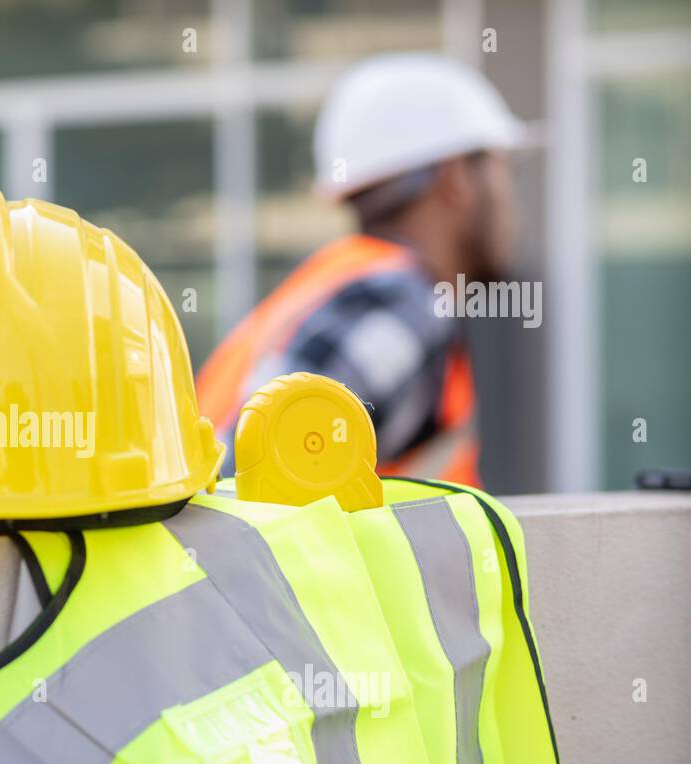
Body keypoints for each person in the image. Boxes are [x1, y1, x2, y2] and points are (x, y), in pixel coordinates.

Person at [197, 53, 528, 485]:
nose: (510, 201)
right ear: (456, 178)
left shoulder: (342, 284)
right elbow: (245, 485)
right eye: (501, 171)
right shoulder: (398, 305)